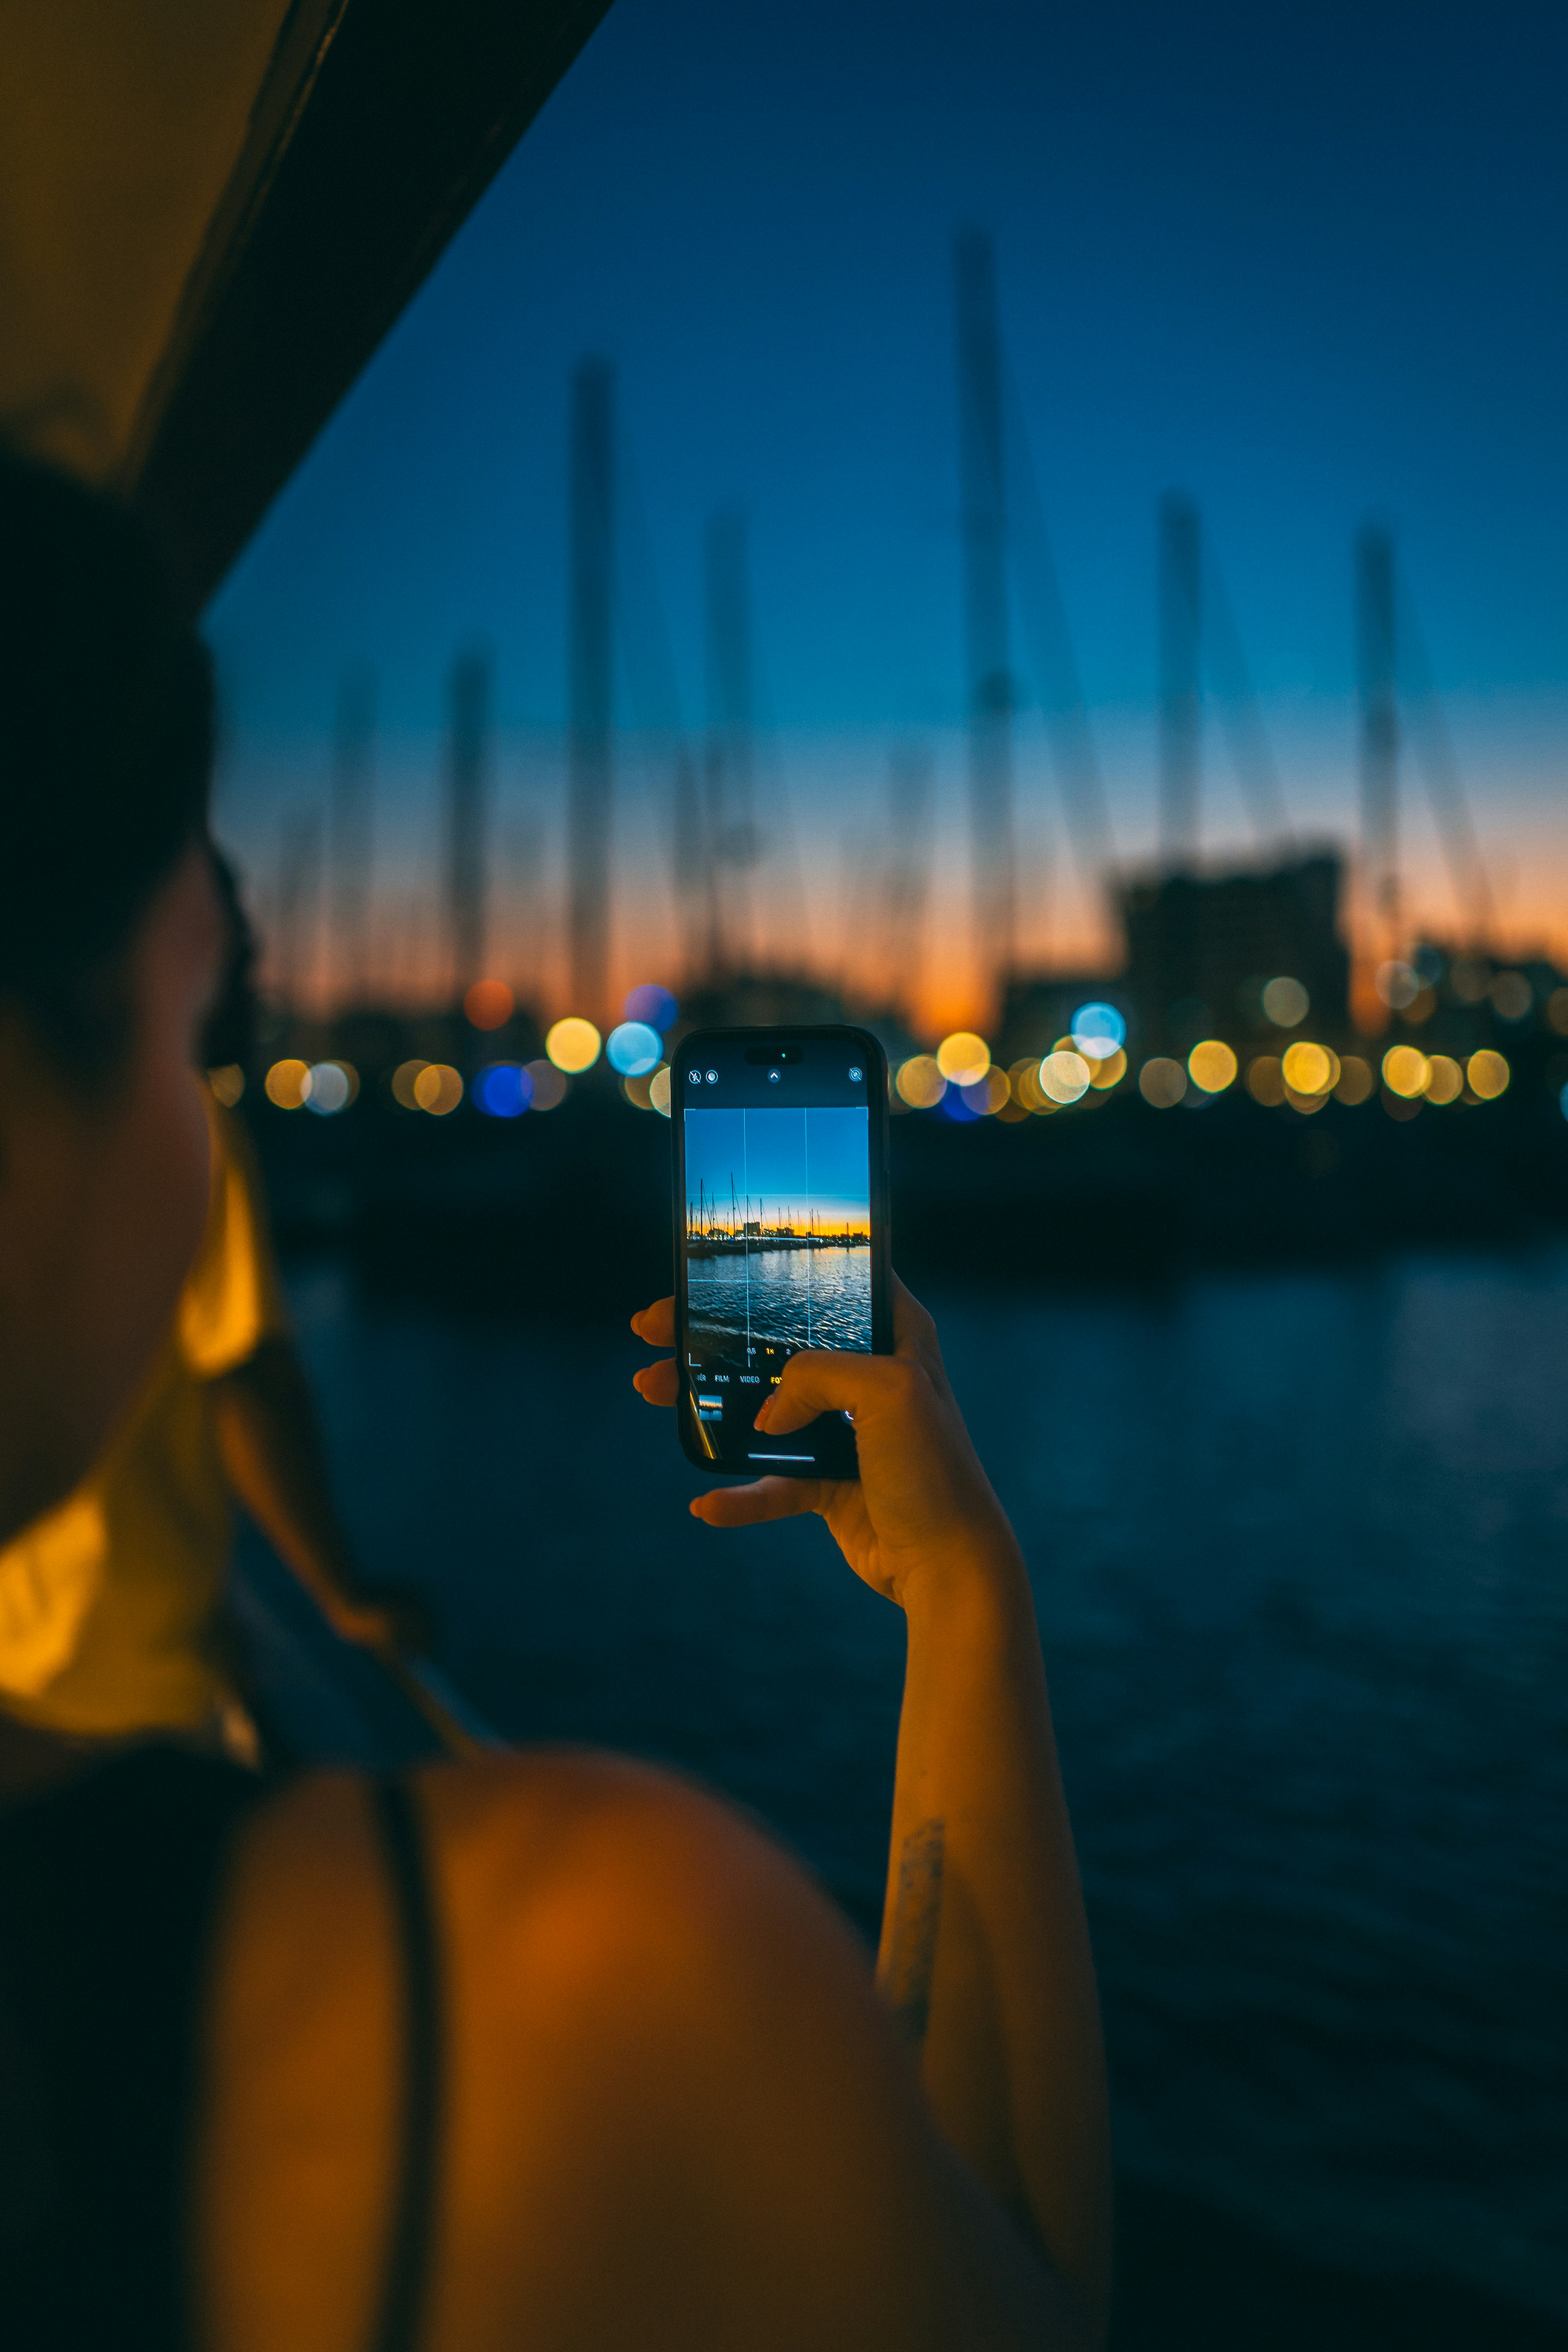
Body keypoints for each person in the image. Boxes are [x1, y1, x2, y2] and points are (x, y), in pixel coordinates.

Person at [0, 446, 1111, 2351]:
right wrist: (963, 1597)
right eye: (206, 1032)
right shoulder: (563, 1985)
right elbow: (1022, 2281)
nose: (217, 1141)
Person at [0, 848, 412, 1769]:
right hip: (117, 1675)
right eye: (231, 937)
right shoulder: (176, 1130)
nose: (256, 963)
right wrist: (341, 1592)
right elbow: (249, 1381)